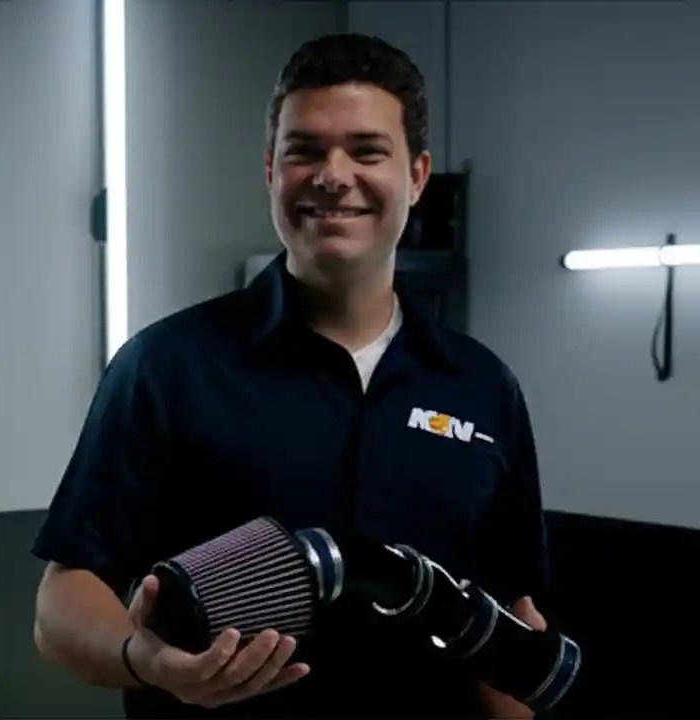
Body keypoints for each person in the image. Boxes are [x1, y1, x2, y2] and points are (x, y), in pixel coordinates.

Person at [30, 32, 554, 719]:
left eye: (367, 151)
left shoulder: (484, 387)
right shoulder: (166, 366)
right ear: (270, 172)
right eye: (304, 150)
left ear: (418, 176)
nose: (333, 175)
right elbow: (64, 599)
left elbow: (509, 630)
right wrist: (146, 661)